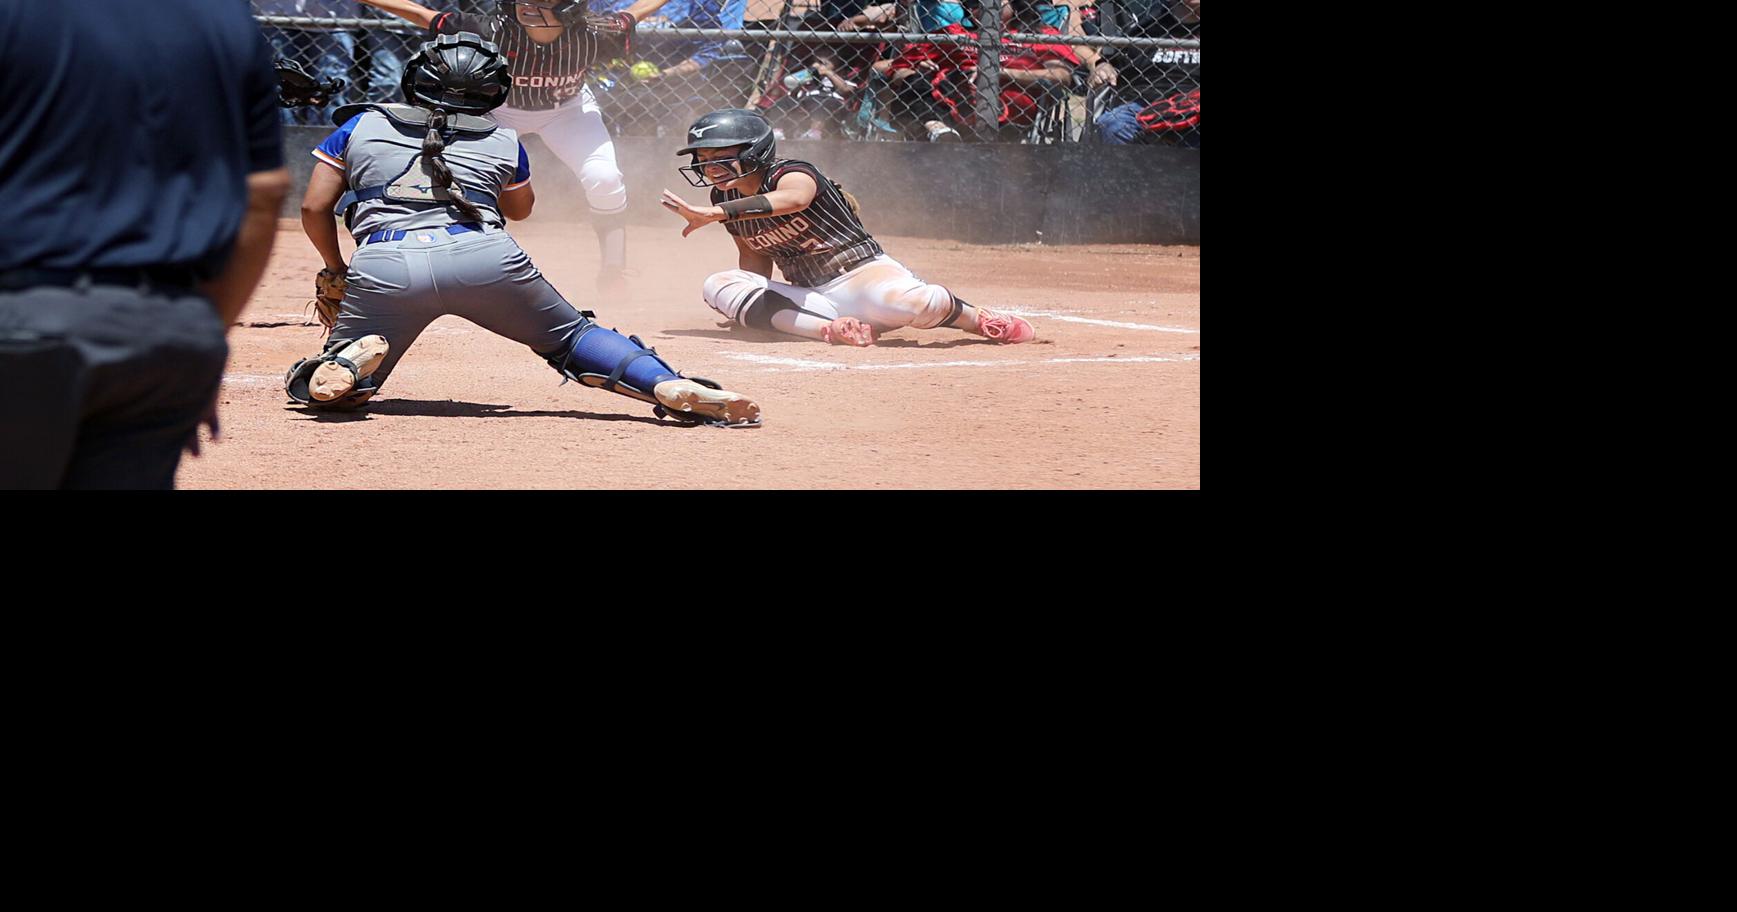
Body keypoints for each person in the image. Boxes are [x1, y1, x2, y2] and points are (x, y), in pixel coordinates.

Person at [284, 31, 760, 427]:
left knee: (321, 390)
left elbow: (313, 207)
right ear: (495, 91)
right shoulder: (504, 138)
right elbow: (521, 210)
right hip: (484, 256)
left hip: (387, 263)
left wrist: (335, 266)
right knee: (572, 337)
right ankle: (660, 382)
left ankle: (345, 365)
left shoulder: (360, 124)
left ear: (415, 79)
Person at [0, 1, 289, 489]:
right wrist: (205, 333)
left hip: (24, 314)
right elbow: (263, 194)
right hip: (167, 337)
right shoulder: (224, 21)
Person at [357, 0, 668, 300]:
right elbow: (422, 14)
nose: (527, 6)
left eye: (541, 1)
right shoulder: (491, 29)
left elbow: (637, 10)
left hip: (568, 111)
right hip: (499, 111)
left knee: (605, 178)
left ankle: (613, 269)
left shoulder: (595, 34)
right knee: (465, 182)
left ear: (569, 6)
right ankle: (458, 260)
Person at [659, 108, 1035, 347]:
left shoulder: (792, 171)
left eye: (720, 157)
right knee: (719, 284)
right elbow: (753, 255)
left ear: (754, 152)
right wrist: (752, 306)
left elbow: (796, 199)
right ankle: (833, 330)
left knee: (920, 302)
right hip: (812, 297)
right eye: (703, 159)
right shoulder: (719, 199)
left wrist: (721, 214)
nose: (709, 168)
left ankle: (979, 319)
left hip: (862, 277)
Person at [1085, 0, 1199, 147]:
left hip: (1195, 106)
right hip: (1144, 105)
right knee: (1112, 124)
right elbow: (1112, 61)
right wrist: (1103, 67)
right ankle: (1141, 168)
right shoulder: (1149, 27)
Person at [257, 0, 361, 125]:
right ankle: (286, 138)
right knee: (282, 86)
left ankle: (328, 140)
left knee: (331, 88)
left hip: (335, 20)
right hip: (275, 16)